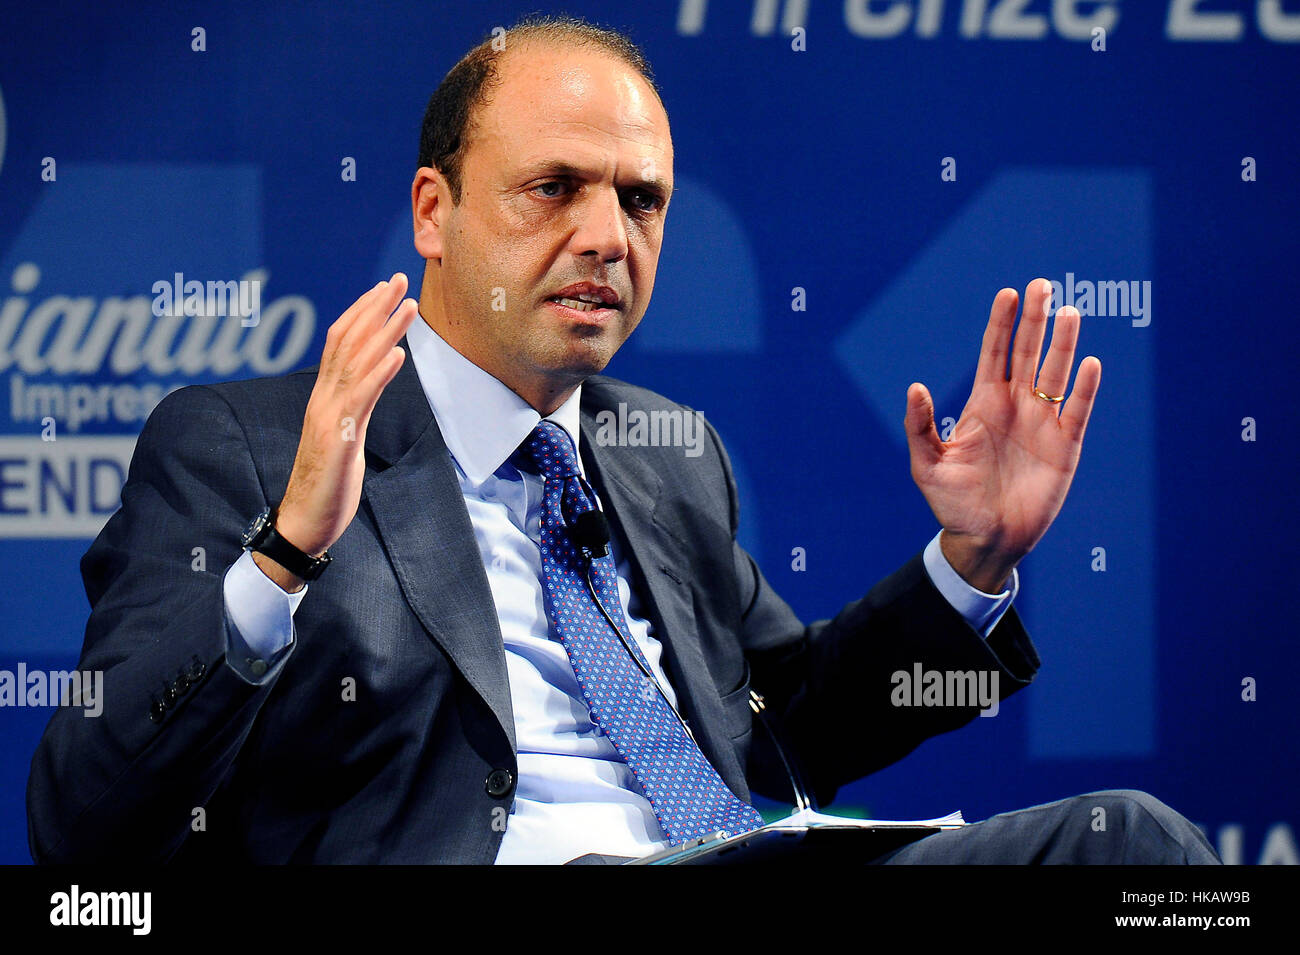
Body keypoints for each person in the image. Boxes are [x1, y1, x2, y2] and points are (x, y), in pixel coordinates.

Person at [27, 14, 1219, 865]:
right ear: (433, 213)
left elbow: (789, 728)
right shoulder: (247, 443)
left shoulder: (665, 449)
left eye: (640, 199)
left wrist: (972, 565)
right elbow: (87, 822)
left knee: (1134, 847)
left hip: (736, 858)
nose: (609, 235)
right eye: (555, 187)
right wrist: (285, 554)